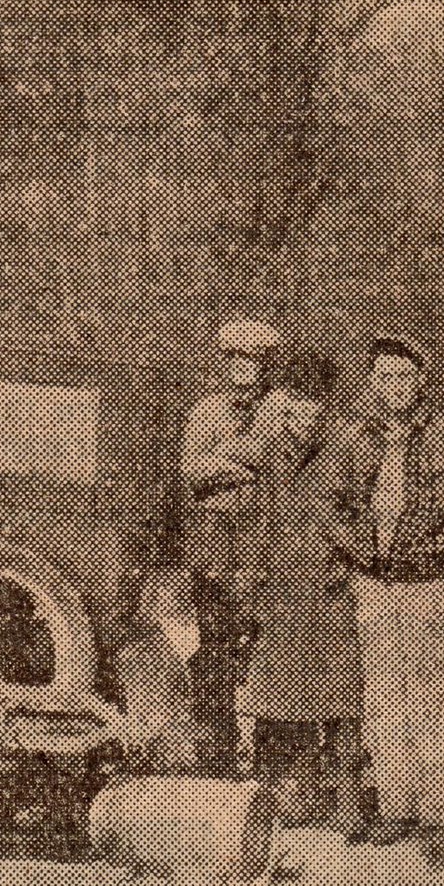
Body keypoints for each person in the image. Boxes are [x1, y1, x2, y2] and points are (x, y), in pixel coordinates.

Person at [323, 335, 444, 867]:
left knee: (431, 701)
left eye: (403, 374)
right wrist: (356, 550)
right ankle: (396, 807)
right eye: (383, 376)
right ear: (373, 382)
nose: (394, 385)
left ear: (422, 378)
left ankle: (442, 815)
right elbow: (330, 506)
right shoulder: (357, 440)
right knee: (384, 700)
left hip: (433, 584)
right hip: (375, 585)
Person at [236, 352, 368, 839]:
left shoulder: (352, 442)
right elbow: (258, 518)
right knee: (275, 703)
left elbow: (366, 519)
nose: (296, 415)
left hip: (335, 592)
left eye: (306, 403)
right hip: (283, 593)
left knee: (342, 705)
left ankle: (348, 805)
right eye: (288, 403)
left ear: (324, 403)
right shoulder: (271, 449)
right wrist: (252, 579)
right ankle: (276, 801)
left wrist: (344, 552)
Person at [176, 319, 280, 771]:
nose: (244, 369)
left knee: (259, 647)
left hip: (261, 545)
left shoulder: (278, 409)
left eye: (253, 361)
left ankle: (265, 760)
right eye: (236, 360)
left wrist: (225, 460)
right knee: (213, 648)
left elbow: (279, 471)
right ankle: (213, 755)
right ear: (225, 363)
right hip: (214, 547)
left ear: (263, 366)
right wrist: (247, 458)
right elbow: (193, 474)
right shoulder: (205, 412)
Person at [108, 568, 225, 774]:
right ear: (151, 595)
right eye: (172, 587)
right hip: (158, 745)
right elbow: (144, 713)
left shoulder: (202, 639)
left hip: (190, 746)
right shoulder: (137, 650)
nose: (183, 593)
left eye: (186, 588)